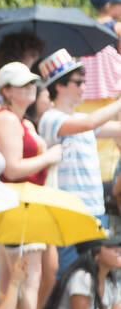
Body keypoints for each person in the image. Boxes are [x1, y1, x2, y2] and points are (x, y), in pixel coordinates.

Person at [37, 49, 121, 274]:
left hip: (95, 208)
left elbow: (114, 130)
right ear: (59, 86)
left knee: (95, 275)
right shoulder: (50, 118)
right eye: (78, 82)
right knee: (70, 274)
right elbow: (89, 125)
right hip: (68, 209)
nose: (84, 86)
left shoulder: (83, 118)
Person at [0, 61, 63, 309]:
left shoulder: (22, 122)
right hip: (17, 205)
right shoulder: (7, 120)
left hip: (29, 205)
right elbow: (11, 169)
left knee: (26, 277)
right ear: (7, 90)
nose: (31, 88)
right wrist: (49, 156)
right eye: (23, 85)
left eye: (32, 83)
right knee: (26, 278)